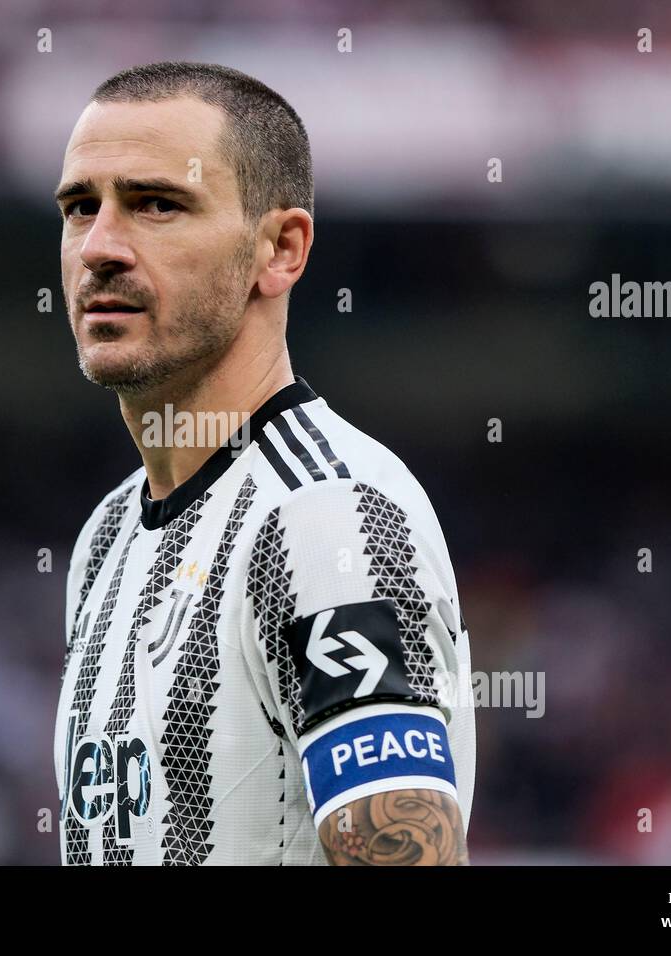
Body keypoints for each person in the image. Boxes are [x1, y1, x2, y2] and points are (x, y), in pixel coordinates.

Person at [53, 61, 474, 865]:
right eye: (81, 208)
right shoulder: (105, 538)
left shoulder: (325, 517)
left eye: (156, 205)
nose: (101, 246)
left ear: (280, 249)